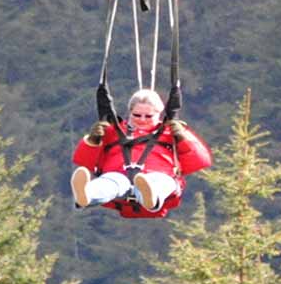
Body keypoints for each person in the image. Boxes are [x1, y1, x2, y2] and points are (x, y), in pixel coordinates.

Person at [71, 84, 211, 218]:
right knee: (110, 183)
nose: (142, 120)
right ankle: (86, 195)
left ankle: (150, 197)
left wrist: (182, 138)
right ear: (130, 112)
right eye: (137, 115)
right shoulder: (114, 130)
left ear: (159, 114)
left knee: (157, 182)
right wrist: (92, 141)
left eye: (148, 116)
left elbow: (201, 161)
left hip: (159, 176)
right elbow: (83, 161)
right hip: (119, 175)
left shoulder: (170, 131)